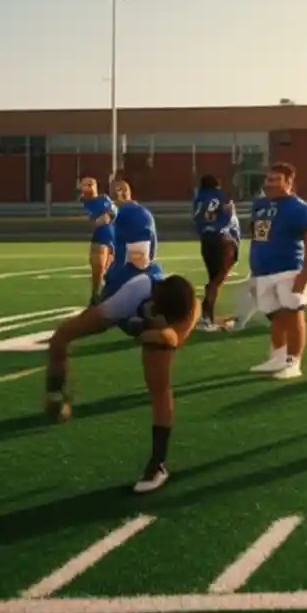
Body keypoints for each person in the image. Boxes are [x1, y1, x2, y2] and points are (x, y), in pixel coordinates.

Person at [44, 187, 198, 493]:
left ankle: (158, 463)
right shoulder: (134, 294)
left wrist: (169, 337)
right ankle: (56, 397)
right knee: (60, 338)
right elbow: (83, 327)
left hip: (156, 327)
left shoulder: (183, 307)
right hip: (122, 310)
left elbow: (181, 330)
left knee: (159, 386)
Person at [247, 163, 307, 379]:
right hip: (263, 270)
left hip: (288, 268)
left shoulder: (299, 208)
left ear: (289, 182)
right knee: (275, 315)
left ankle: (294, 361)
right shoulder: (260, 205)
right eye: (268, 179)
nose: (269, 184)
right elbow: (259, 237)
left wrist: (306, 274)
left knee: (293, 313)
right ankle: (277, 356)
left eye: (275, 179)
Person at [192, 174, 240, 331]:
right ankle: (206, 317)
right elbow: (228, 217)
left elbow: (197, 219)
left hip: (206, 241)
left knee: (214, 278)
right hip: (223, 240)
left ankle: (207, 316)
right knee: (216, 281)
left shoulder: (199, 198)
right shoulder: (222, 196)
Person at [80, 176, 116, 305]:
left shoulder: (104, 199)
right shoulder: (81, 204)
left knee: (109, 270)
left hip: (111, 238)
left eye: (91, 184)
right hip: (98, 238)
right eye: (85, 185)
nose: (88, 187)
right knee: (98, 268)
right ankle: (95, 296)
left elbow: (114, 212)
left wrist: (109, 216)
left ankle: (106, 294)